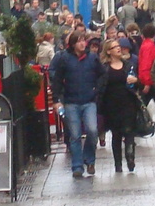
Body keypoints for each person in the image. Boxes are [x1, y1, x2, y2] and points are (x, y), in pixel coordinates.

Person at [50, 29, 106, 178]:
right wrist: (56, 100)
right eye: (79, 41)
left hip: (89, 101)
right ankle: (77, 166)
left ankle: (89, 158)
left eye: (83, 40)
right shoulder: (65, 59)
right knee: (75, 135)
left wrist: (96, 90)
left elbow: (102, 74)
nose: (83, 44)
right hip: (71, 102)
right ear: (73, 44)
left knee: (92, 130)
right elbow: (57, 81)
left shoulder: (92, 58)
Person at [97, 37, 139, 173]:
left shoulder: (128, 65)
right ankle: (118, 164)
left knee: (129, 132)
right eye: (115, 47)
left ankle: (130, 158)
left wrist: (136, 80)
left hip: (128, 103)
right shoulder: (104, 68)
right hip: (111, 106)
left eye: (118, 46)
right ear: (108, 51)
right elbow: (100, 87)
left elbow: (138, 83)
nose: (118, 48)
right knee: (116, 135)